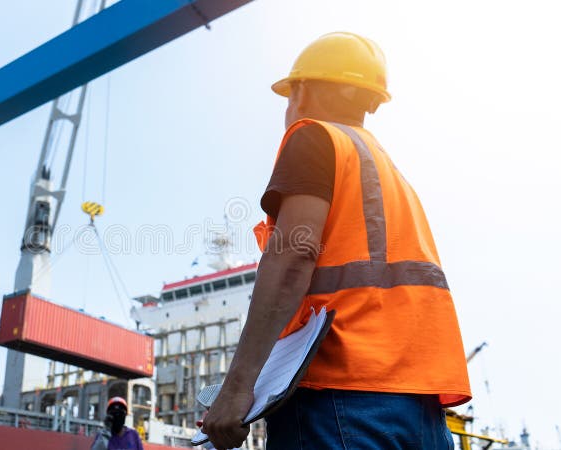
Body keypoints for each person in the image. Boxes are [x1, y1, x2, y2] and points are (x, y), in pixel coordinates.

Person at [201, 32, 472, 450]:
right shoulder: (388, 173)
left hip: (339, 397)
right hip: (421, 406)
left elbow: (293, 256)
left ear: (303, 91)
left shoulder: (315, 137)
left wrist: (238, 388)